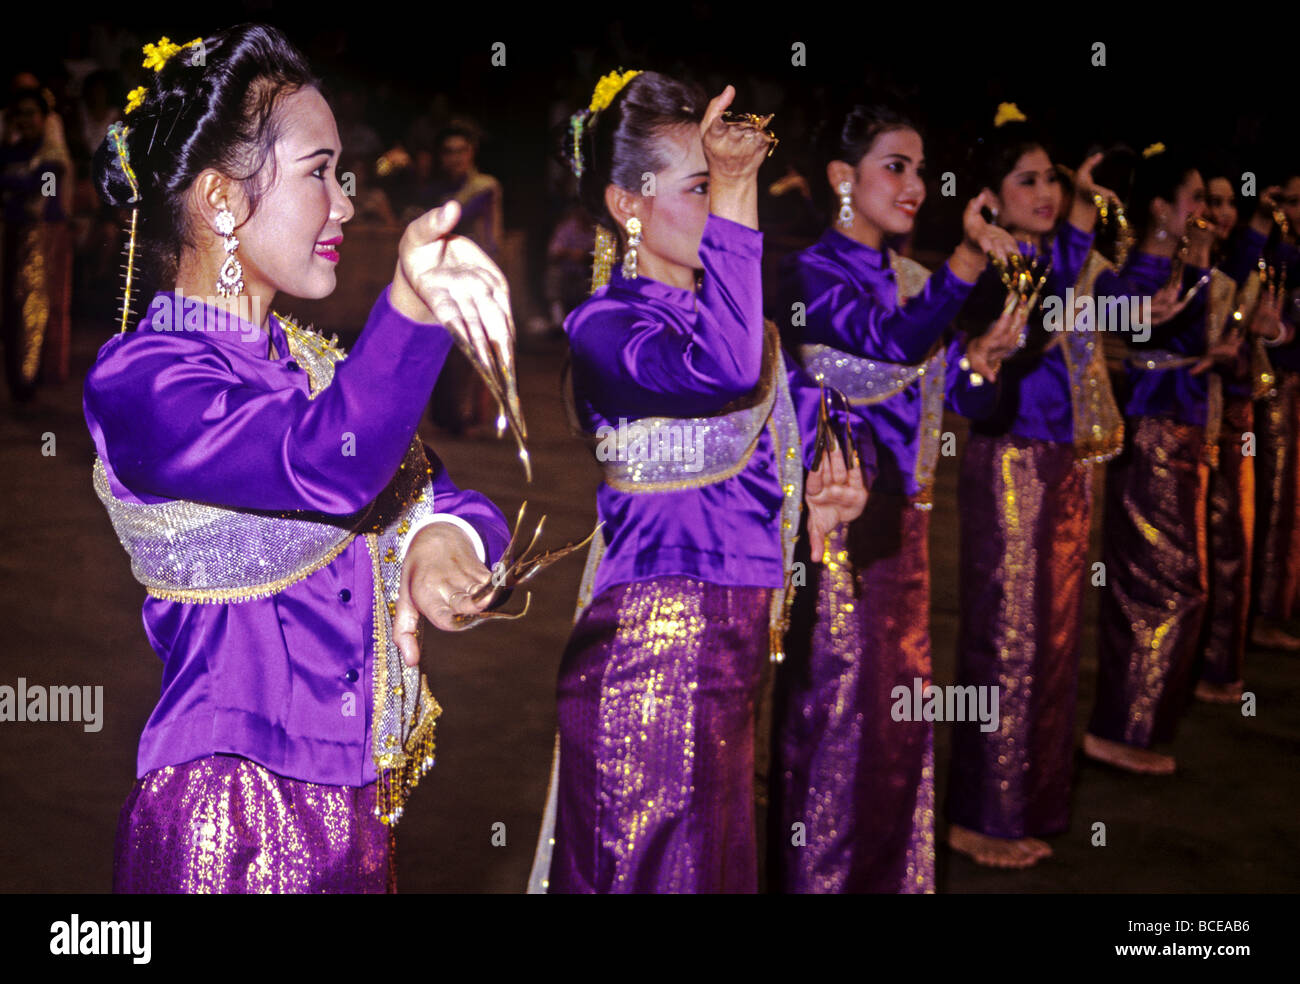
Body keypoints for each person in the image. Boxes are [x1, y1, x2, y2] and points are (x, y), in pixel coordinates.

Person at [83, 24, 513, 893]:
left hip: (360, 810)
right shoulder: (144, 381)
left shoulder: (312, 364)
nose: (346, 206)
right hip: (229, 817)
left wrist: (443, 547)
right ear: (219, 199)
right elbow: (331, 463)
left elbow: (449, 497)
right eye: (319, 173)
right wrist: (413, 306)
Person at [531, 70, 868, 894]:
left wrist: (815, 517)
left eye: (722, 186)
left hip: (725, 663)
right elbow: (721, 370)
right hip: (651, 663)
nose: (721, 205)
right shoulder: (608, 325)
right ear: (627, 205)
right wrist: (742, 188)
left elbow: (741, 482)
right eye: (700, 186)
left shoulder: (735, 326)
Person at [770, 97, 1023, 892]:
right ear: (843, 178)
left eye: (920, 169)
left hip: (905, 538)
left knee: (897, 723)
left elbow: (966, 402)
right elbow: (893, 341)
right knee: (836, 721)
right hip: (839, 535)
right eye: (896, 166)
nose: (916, 185)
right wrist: (967, 268)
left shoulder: (908, 276)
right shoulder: (814, 272)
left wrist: (982, 358)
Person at [945, 105, 1123, 868]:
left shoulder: (1046, 258)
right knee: (1009, 638)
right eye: (1028, 180)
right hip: (1010, 460)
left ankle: (1034, 800)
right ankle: (981, 811)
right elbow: (1013, 346)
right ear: (991, 196)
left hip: (1062, 461)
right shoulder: (996, 269)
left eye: (1052, 178)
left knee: (1053, 637)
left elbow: (1074, 271)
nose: (1045, 191)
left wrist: (1082, 201)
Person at [1085, 145, 1248, 774]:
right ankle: (1122, 727)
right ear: (1161, 206)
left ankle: (1137, 722)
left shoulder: (1185, 273)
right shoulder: (1139, 277)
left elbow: (1211, 343)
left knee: (1175, 581)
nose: (1205, 212)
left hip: (1178, 431)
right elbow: (1140, 328)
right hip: (1153, 433)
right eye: (1196, 199)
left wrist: (1228, 348)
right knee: (1168, 582)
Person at [1, 85, 73, 401]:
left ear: (45, 118)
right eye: (19, 115)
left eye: (31, 114)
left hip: (42, 238)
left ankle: (29, 380)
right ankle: (17, 378)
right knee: (11, 306)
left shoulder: (52, 154)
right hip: (13, 235)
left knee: (35, 305)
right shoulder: (11, 152)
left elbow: (44, 188)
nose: (25, 120)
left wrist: (14, 185)